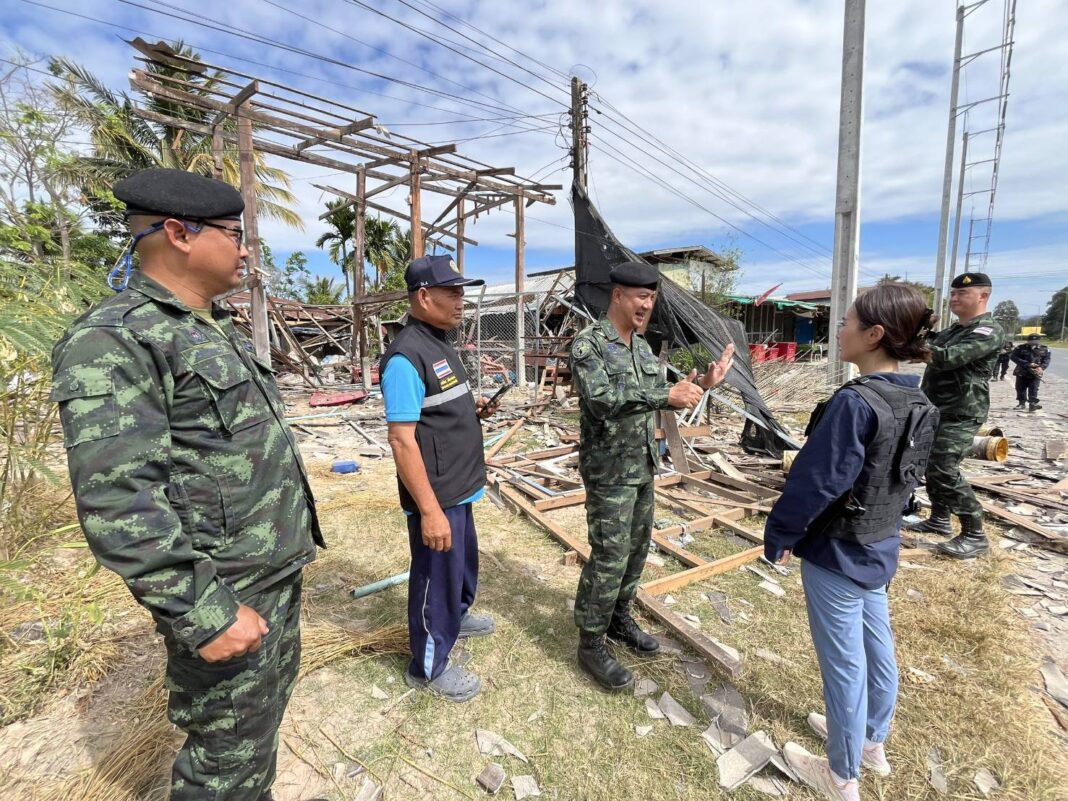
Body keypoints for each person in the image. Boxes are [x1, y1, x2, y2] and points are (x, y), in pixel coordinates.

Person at [51, 168, 324, 801]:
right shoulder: (116, 338)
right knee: (223, 761)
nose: (246, 249)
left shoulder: (205, 328)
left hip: (270, 577)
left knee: (253, 736)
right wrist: (202, 611)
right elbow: (119, 500)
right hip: (223, 589)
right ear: (179, 232)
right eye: (234, 234)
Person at [766, 284, 939, 801]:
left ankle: (841, 775)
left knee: (844, 662)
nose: (838, 330)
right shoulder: (917, 398)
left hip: (837, 550)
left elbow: (818, 481)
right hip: (880, 542)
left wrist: (780, 534)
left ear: (874, 334)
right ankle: (871, 742)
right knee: (877, 647)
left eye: (846, 323)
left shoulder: (855, 402)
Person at [569, 261, 734, 690]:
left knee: (637, 548)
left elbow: (656, 397)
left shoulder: (640, 347)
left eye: (652, 298)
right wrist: (665, 393)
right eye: (641, 297)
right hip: (609, 471)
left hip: (642, 464)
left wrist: (705, 385)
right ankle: (591, 641)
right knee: (609, 554)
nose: (647, 305)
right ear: (619, 296)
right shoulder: (589, 344)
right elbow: (602, 400)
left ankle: (620, 617)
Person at [381, 256, 500, 703]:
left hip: (459, 483)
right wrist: (429, 511)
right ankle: (428, 666)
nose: (461, 300)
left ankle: (458, 614)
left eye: (462, 291)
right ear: (424, 297)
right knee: (435, 576)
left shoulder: (441, 343)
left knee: (460, 568)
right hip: (436, 492)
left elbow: (439, 407)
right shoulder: (404, 358)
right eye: (452, 292)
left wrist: (474, 410)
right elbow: (401, 440)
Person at [903, 272, 1004, 559]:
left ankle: (974, 534)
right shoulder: (952, 331)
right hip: (936, 407)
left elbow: (950, 357)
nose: (954, 298)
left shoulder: (988, 330)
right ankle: (939, 519)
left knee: (944, 467)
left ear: (983, 296)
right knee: (930, 464)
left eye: (963, 294)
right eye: (954, 293)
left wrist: (919, 348)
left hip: (962, 410)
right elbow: (929, 344)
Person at [1010, 333, 1051, 411]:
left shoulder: (1044, 349)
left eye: (1035, 340)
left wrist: (1041, 368)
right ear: (1028, 340)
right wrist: (1027, 364)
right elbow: (1013, 357)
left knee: (1034, 388)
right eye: (1031, 340)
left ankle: (1032, 403)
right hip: (1022, 371)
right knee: (1020, 388)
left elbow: (1046, 360)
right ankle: (1021, 403)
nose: (1033, 342)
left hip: (1036, 372)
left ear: (1039, 341)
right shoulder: (1020, 348)